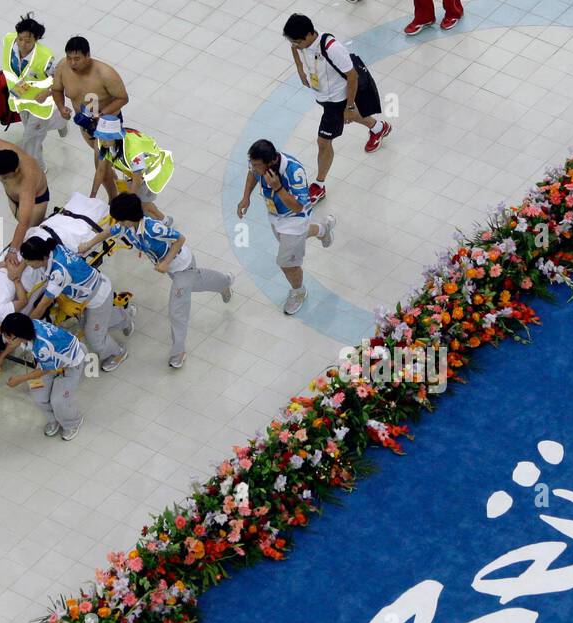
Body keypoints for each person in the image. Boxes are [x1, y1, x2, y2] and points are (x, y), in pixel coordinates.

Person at [82, 193, 232, 369]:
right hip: (174, 270)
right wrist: (88, 244)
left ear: (130, 218)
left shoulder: (152, 228)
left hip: (182, 267)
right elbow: (108, 232)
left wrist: (166, 262)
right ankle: (225, 281)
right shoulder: (126, 227)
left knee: (177, 311)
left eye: (121, 220)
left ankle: (178, 352)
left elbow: (180, 239)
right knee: (198, 282)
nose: (119, 224)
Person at [283, 14, 391, 203]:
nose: (296, 45)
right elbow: (293, 47)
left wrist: (349, 106)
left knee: (323, 142)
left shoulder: (332, 48)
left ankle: (319, 186)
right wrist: (300, 68)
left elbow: (352, 76)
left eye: (299, 42)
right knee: (343, 117)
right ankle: (379, 128)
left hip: (337, 98)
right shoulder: (301, 42)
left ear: (310, 34)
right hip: (322, 94)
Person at [237, 138, 336, 315]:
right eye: (253, 164)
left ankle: (298, 291)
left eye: (258, 165)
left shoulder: (293, 171)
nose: (255, 168)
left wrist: (278, 188)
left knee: (287, 263)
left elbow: (298, 207)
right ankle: (323, 228)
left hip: (295, 220)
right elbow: (252, 173)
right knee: (290, 243)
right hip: (275, 216)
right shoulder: (257, 162)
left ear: (272, 161)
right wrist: (246, 197)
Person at [16, 235, 133, 371]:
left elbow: (43, 305)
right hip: (98, 285)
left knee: (93, 335)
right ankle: (125, 317)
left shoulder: (59, 273)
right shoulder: (55, 248)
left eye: (30, 262)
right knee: (91, 322)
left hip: (99, 298)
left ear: (42, 258)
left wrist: (24, 327)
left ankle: (118, 353)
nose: (28, 265)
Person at [0, 312, 87, 440]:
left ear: (21, 335)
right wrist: (1, 356)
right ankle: (54, 419)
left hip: (71, 364)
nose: (6, 340)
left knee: (58, 400)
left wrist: (19, 379)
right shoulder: (31, 324)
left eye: (9, 337)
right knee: (38, 395)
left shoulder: (43, 347)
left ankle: (72, 422)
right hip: (48, 362)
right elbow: (15, 343)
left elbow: (44, 371)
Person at [0, 13, 68, 171]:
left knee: (30, 140)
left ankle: (38, 171)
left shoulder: (45, 59)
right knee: (33, 136)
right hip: (19, 100)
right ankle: (60, 121)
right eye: (20, 39)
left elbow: (61, 79)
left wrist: (47, 93)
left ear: (36, 40)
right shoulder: (9, 40)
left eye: (28, 41)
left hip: (40, 105)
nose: (22, 44)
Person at [48, 36, 129, 150]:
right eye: (69, 58)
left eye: (77, 59)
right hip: (84, 123)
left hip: (106, 125)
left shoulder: (105, 74)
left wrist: (101, 114)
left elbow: (123, 98)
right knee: (101, 158)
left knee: (101, 164)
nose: (72, 63)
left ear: (87, 56)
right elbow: (56, 89)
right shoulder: (63, 66)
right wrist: (61, 107)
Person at [90, 115, 175, 222]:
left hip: (151, 171)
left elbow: (137, 181)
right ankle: (157, 218)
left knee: (142, 204)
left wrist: (129, 203)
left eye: (106, 138)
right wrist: (92, 196)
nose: (102, 141)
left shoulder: (134, 150)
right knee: (132, 199)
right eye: (101, 137)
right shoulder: (104, 143)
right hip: (133, 172)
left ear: (116, 137)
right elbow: (101, 170)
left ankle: (164, 220)